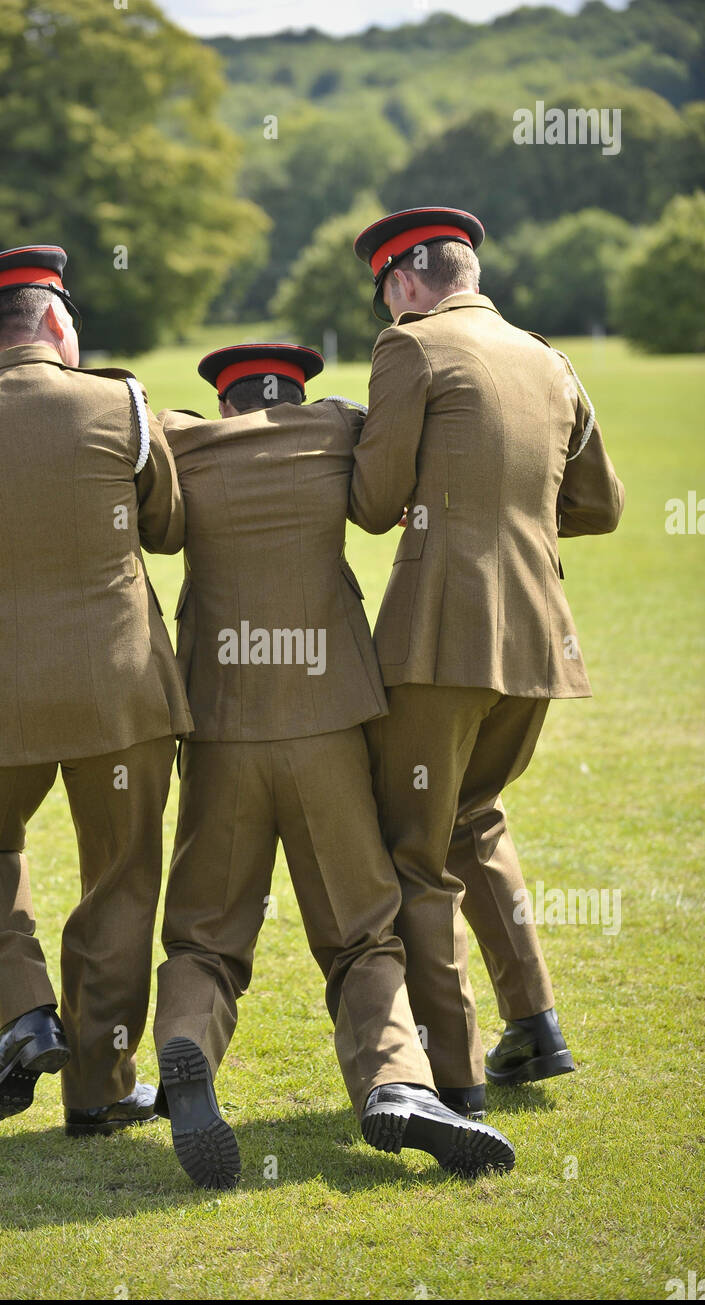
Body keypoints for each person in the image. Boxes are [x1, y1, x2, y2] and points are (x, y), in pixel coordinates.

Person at [151, 341, 516, 1190]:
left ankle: (188, 1043)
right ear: (299, 388)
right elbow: (381, 498)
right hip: (328, 724)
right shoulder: (337, 432)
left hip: (220, 727)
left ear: (225, 399)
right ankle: (396, 1083)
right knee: (360, 934)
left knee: (204, 934)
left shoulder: (186, 444)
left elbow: (150, 510)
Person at [0, 245, 192, 1136]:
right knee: (122, 880)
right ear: (57, 320)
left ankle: (25, 1013)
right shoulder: (121, 400)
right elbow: (167, 529)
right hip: (122, 687)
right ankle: (99, 1088)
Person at [350, 206, 624, 1110]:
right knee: (474, 819)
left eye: (386, 291)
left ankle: (452, 1077)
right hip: (538, 634)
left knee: (415, 853)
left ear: (404, 280)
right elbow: (600, 504)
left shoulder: (409, 347)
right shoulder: (548, 357)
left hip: (439, 636)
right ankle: (533, 1024)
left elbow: (372, 497)